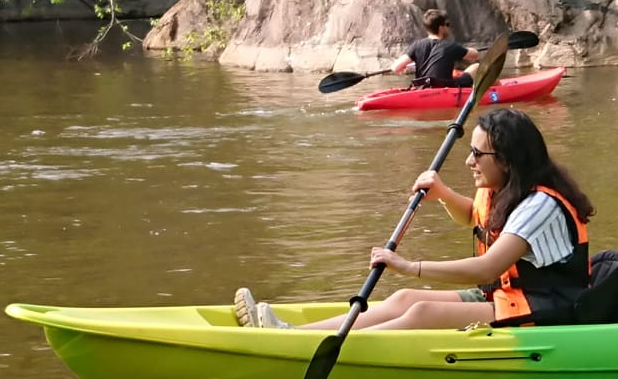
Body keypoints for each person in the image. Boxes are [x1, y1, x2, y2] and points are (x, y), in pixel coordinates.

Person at [234, 108, 595, 332]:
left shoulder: (539, 205)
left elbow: (488, 267)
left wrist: (409, 265)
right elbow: (475, 216)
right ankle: (293, 334)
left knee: (421, 310)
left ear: (507, 160)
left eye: (477, 153)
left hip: (551, 309)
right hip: (509, 295)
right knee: (406, 298)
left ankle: (307, 348)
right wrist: (442, 194)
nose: (469, 161)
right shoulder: (506, 188)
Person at [392, 8, 479, 90]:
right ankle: (484, 91)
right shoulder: (451, 46)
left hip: (422, 87)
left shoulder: (417, 45)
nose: (448, 28)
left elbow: (395, 68)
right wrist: (462, 48)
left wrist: (407, 66)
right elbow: (475, 55)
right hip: (446, 87)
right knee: (476, 66)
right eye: (447, 24)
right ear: (441, 28)